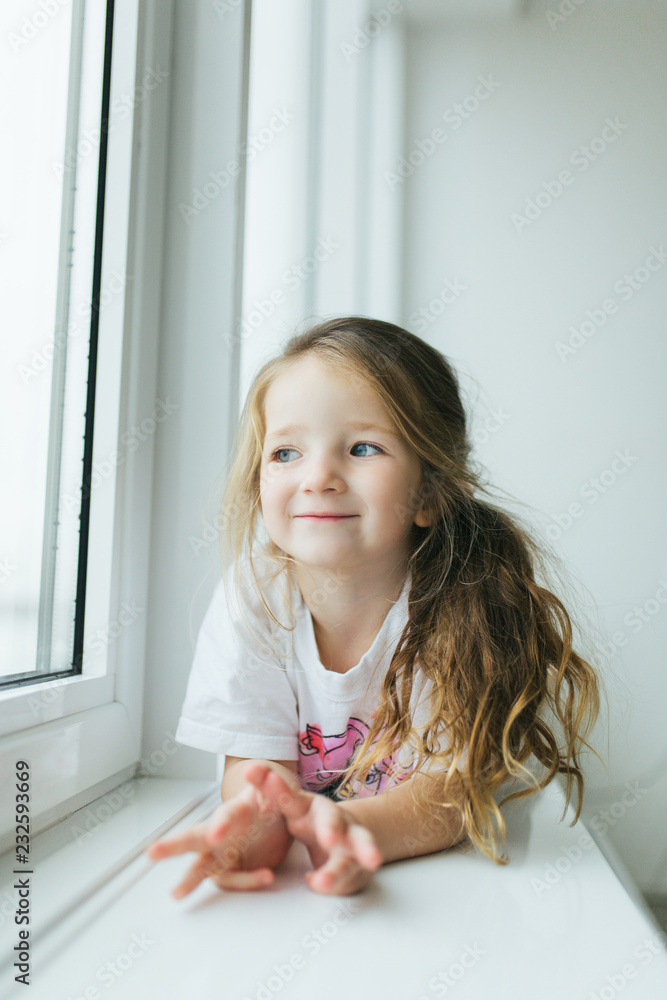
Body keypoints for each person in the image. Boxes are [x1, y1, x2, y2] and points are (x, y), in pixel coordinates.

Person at [147, 316, 603, 897]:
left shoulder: (458, 605)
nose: (318, 476)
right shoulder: (254, 595)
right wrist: (246, 834)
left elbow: (450, 793)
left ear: (431, 493)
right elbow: (258, 779)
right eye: (285, 452)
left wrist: (352, 829)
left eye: (363, 447)